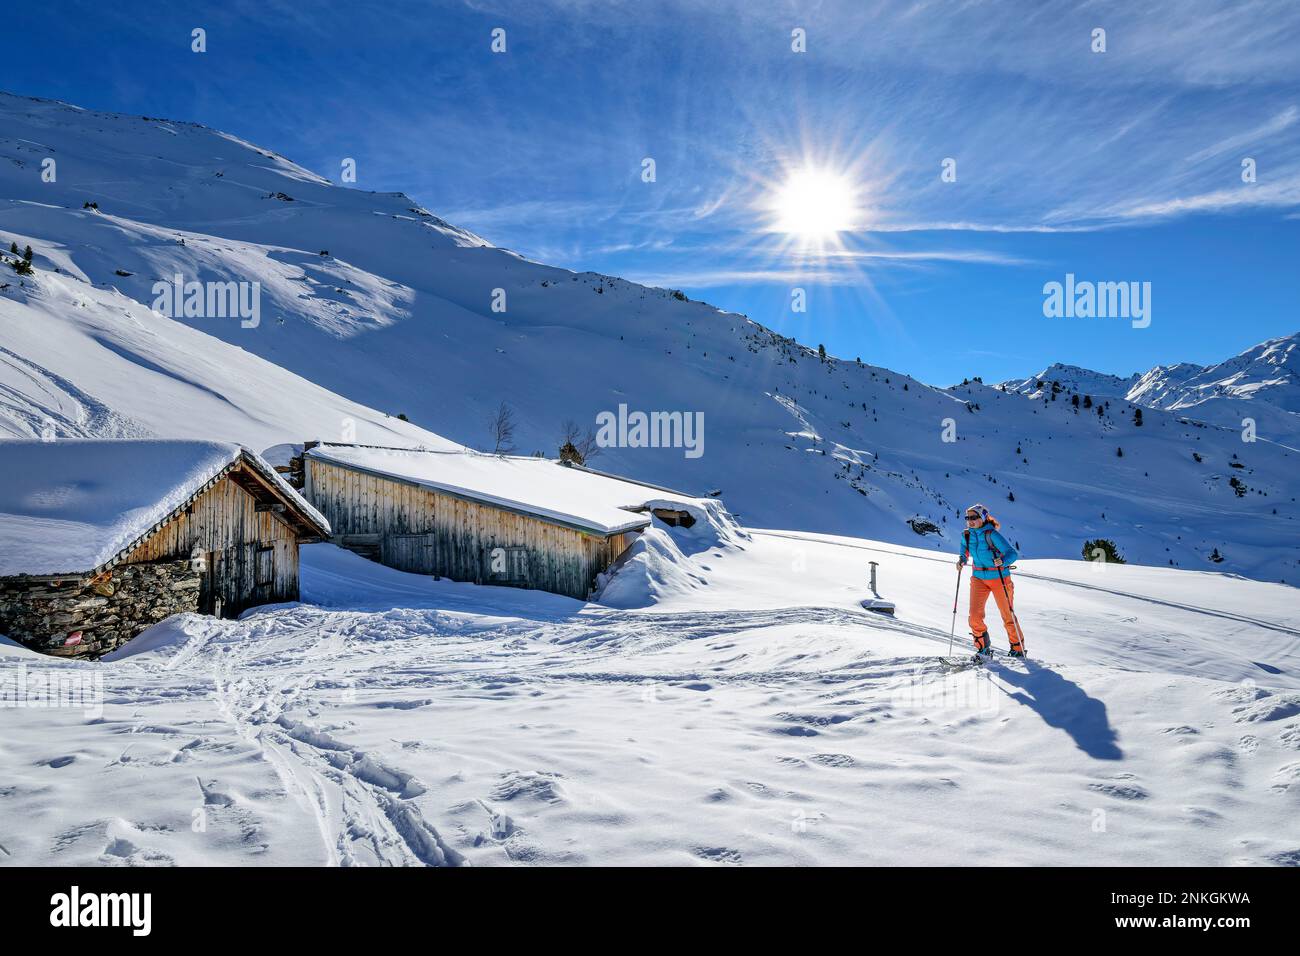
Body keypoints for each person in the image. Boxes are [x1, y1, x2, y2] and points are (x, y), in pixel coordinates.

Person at [956, 504, 1025, 658]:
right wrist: (961, 560)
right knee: (974, 616)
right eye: (967, 518)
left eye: (974, 517)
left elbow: (1012, 554)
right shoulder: (966, 535)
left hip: (999, 578)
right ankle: (983, 648)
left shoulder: (991, 534)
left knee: (1007, 615)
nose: (970, 521)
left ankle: (1018, 649)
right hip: (978, 578)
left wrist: (1003, 561)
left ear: (982, 518)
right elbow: (964, 551)